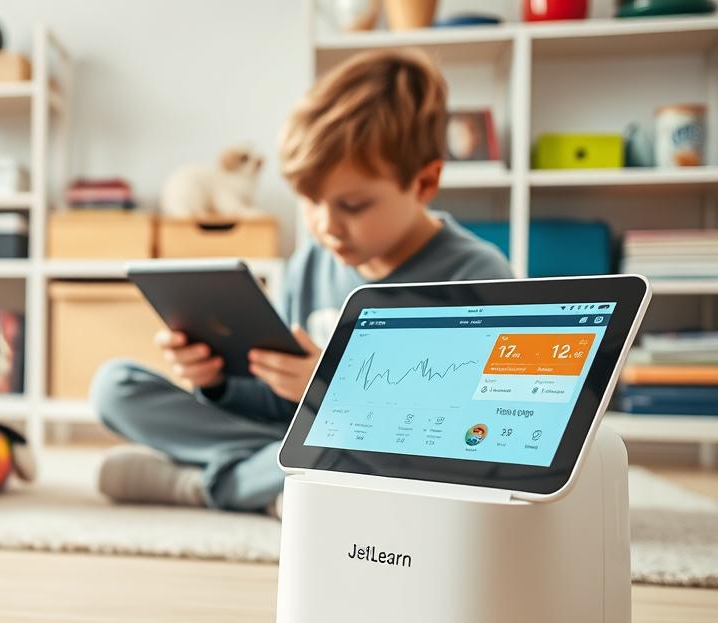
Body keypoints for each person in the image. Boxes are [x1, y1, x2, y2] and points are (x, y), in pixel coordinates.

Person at [90, 49, 513, 513]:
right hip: (298, 439)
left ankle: (208, 484)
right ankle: (273, 481)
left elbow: (476, 435)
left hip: (382, 451)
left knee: (356, 454)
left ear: (425, 182)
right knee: (115, 386)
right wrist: (216, 383)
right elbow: (280, 404)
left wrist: (332, 390)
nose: (326, 225)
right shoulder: (310, 263)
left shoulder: (475, 278)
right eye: (310, 200)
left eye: (353, 205)